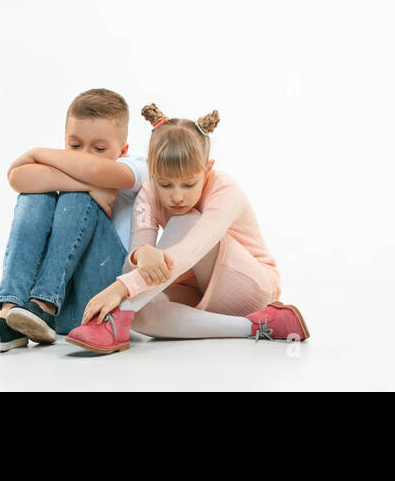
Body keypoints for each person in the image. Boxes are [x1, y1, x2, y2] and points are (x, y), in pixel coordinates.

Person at [64, 103, 308, 353]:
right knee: (139, 310)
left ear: (208, 169)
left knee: (185, 221)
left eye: (189, 184)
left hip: (252, 287)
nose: (177, 197)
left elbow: (190, 250)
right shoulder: (148, 192)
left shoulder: (225, 191)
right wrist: (141, 253)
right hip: (197, 289)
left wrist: (120, 289)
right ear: (153, 172)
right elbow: (135, 264)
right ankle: (257, 326)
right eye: (165, 184)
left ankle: (114, 320)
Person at [0, 87, 148, 351]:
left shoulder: (135, 166)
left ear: (122, 150)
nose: (83, 154)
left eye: (99, 148)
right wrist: (87, 185)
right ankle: (10, 312)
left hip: (100, 302)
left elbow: (96, 170)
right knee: (35, 196)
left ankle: (44, 302)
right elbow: (17, 178)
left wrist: (37, 158)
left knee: (78, 196)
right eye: (74, 146)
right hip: (59, 313)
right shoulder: (66, 164)